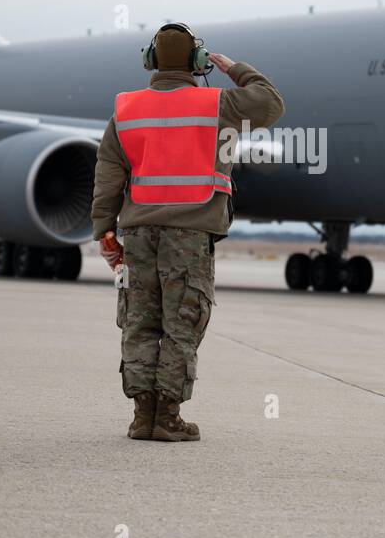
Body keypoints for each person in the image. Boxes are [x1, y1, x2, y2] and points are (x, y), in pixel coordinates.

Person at [91, 22, 284, 441]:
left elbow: (108, 175)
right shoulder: (218, 104)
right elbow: (270, 104)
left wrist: (104, 232)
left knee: (140, 321)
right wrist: (236, 69)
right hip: (191, 235)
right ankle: (168, 417)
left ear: (151, 60)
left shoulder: (126, 109)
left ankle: (143, 417)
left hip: (139, 234)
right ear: (198, 62)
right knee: (182, 322)